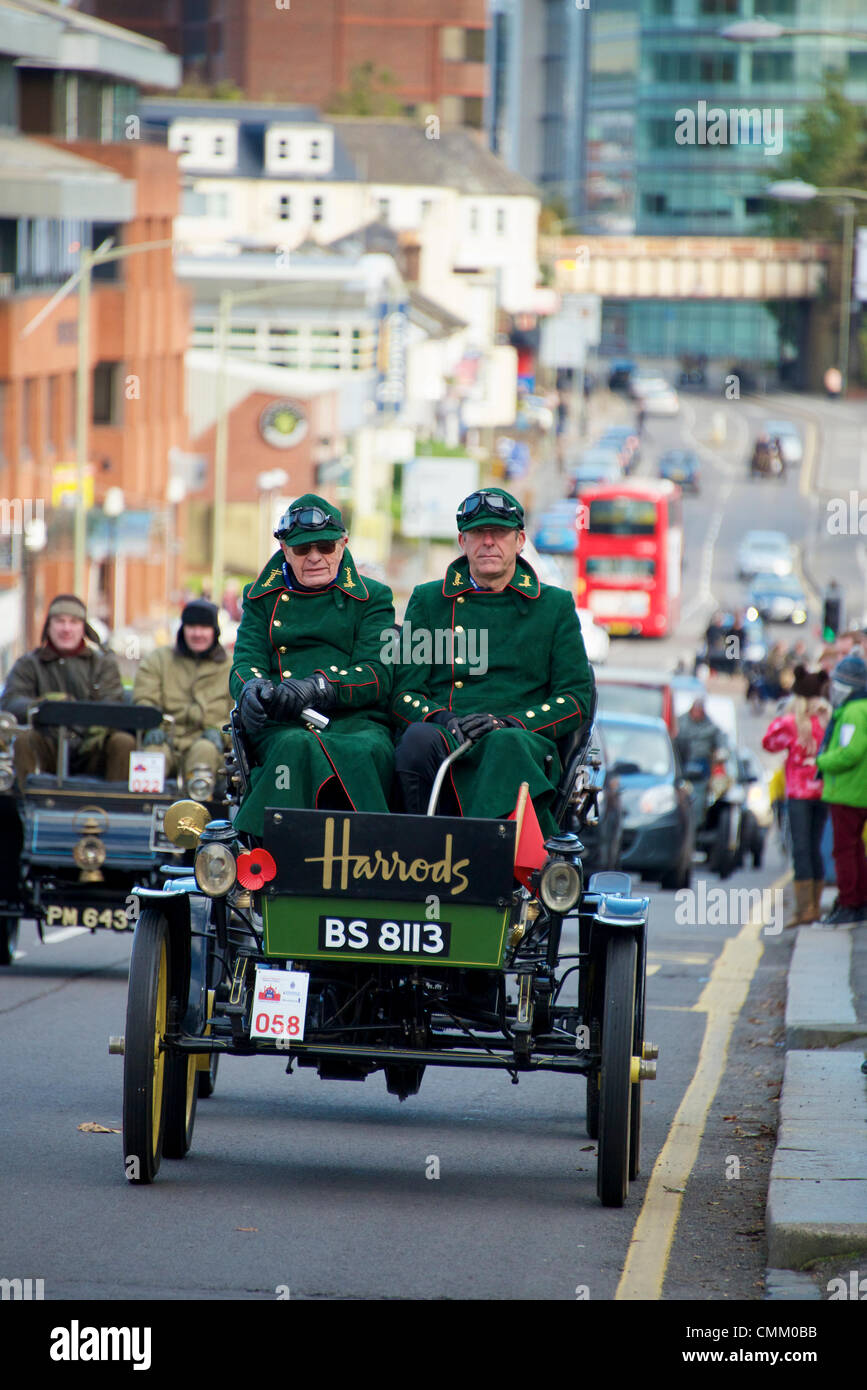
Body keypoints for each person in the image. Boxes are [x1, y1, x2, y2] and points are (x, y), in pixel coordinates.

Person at [391, 487, 594, 833]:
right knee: (416, 741)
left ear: (519, 541)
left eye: (499, 533)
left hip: (520, 738)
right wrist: (444, 718)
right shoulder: (428, 600)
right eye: (478, 534)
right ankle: (418, 846)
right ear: (462, 541)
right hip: (449, 734)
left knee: (504, 745)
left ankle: (488, 853)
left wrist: (510, 723)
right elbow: (403, 693)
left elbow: (576, 700)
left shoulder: (554, 606)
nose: (488, 542)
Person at [230, 494, 395, 837]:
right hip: (282, 721)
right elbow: (245, 663)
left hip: (355, 722)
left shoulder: (372, 597)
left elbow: (377, 675)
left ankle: (373, 851)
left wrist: (319, 687)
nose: (315, 557)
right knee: (295, 745)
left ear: (343, 544)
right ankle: (265, 851)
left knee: (366, 750)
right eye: (303, 550)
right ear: (285, 551)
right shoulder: (261, 598)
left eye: (325, 546)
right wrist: (250, 689)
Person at [0, 594, 134, 787]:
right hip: (48, 743)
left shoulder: (102, 664)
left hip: (93, 748)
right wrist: (45, 705)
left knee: (124, 742)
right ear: (49, 626)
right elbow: (10, 702)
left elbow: (113, 702)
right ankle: (28, 804)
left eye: (74, 621)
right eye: (60, 621)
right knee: (24, 741)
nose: (66, 628)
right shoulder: (29, 664)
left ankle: (115, 806)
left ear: (84, 628)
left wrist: (96, 726)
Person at [132, 600, 232, 799]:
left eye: (204, 627)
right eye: (191, 626)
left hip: (209, 744)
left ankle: (197, 812)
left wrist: (221, 734)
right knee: (151, 755)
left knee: (204, 752)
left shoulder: (231, 666)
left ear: (215, 632)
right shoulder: (158, 660)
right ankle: (142, 811)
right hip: (166, 738)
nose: (197, 633)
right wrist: (152, 726)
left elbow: (238, 713)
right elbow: (144, 699)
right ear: (182, 629)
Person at [762, 666, 830, 927]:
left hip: (799, 792)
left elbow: (769, 742)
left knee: (800, 848)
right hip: (823, 791)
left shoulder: (792, 722)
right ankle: (814, 904)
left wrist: (784, 718)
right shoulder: (827, 719)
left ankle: (805, 909)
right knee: (814, 847)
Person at [815, 653, 867, 926]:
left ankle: (850, 903)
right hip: (858, 790)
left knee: (845, 850)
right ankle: (857, 901)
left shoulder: (852, 712)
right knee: (856, 849)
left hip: (848, 791)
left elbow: (850, 752)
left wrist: (822, 760)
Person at [674, 698, 725, 775]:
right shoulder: (680, 723)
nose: (697, 713)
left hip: (702, 764)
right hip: (681, 763)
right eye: (696, 710)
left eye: (699, 711)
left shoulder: (710, 726)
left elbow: (721, 740)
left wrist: (721, 751)